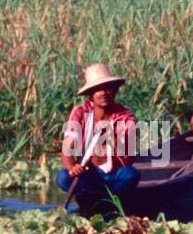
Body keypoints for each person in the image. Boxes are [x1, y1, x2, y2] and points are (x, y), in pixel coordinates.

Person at [57, 63, 141, 201]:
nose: (103, 93)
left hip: (114, 175)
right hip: (88, 175)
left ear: (114, 91)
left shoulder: (125, 116)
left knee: (130, 175)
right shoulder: (80, 112)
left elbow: (125, 153)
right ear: (91, 95)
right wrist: (73, 167)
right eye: (98, 90)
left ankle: (112, 199)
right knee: (62, 177)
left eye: (107, 88)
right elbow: (67, 150)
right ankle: (91, 194)